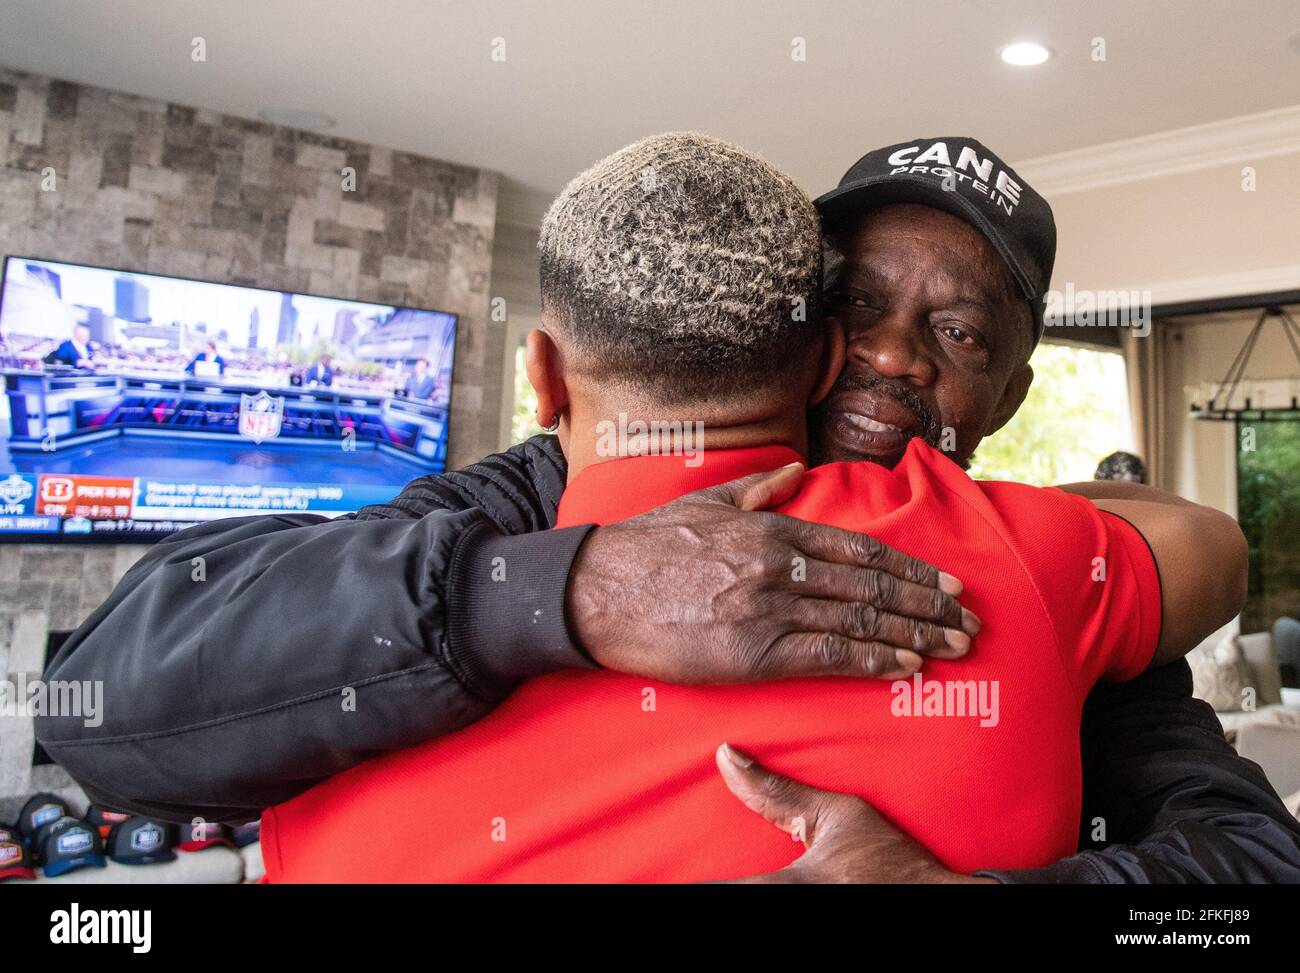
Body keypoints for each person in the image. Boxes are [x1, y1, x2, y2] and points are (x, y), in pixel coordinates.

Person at [37, 135, 1300, 883]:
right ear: (798, 331)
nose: (897, 359)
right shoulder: (516, 503)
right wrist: (567, 592)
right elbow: (114, 702)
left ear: (1011, 393)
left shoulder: (1039, 585)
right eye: (857, 305)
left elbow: (1248, 869)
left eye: (957, 332)